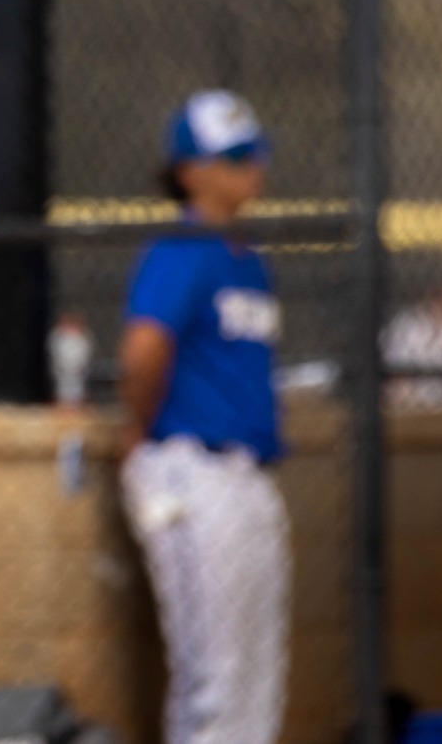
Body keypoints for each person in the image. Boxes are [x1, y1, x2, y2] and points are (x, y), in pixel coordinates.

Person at [115, 89, 287, 744]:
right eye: (234, 158)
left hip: (247, 474)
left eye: (253, 155)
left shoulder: (247, 258)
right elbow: (144, 348)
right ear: (191, 170)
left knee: (257, 669)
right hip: (191, 469)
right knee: (212, 673)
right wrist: (139, 431)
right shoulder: (181, 249)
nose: (252, 169)